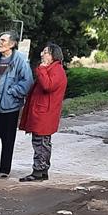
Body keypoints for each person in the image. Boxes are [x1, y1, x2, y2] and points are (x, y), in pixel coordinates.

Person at [0, 31, 32, 178]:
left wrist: (12, 92)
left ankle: (4, 170)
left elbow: (27, 82)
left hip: (10, 107)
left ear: (12, 44)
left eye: (3, 40)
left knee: (8, 140)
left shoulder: (20, 60)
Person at [18, 43, 68, 182]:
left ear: (53, 55)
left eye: (45, 52)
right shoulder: (52, 69)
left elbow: (47, 86)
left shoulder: (55, 70)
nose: (42, 54)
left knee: (41, 143)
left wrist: (41, 69)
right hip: (43, 112)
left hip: (45, 114)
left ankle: (38, 171)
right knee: (42, 142)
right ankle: (42, 169)